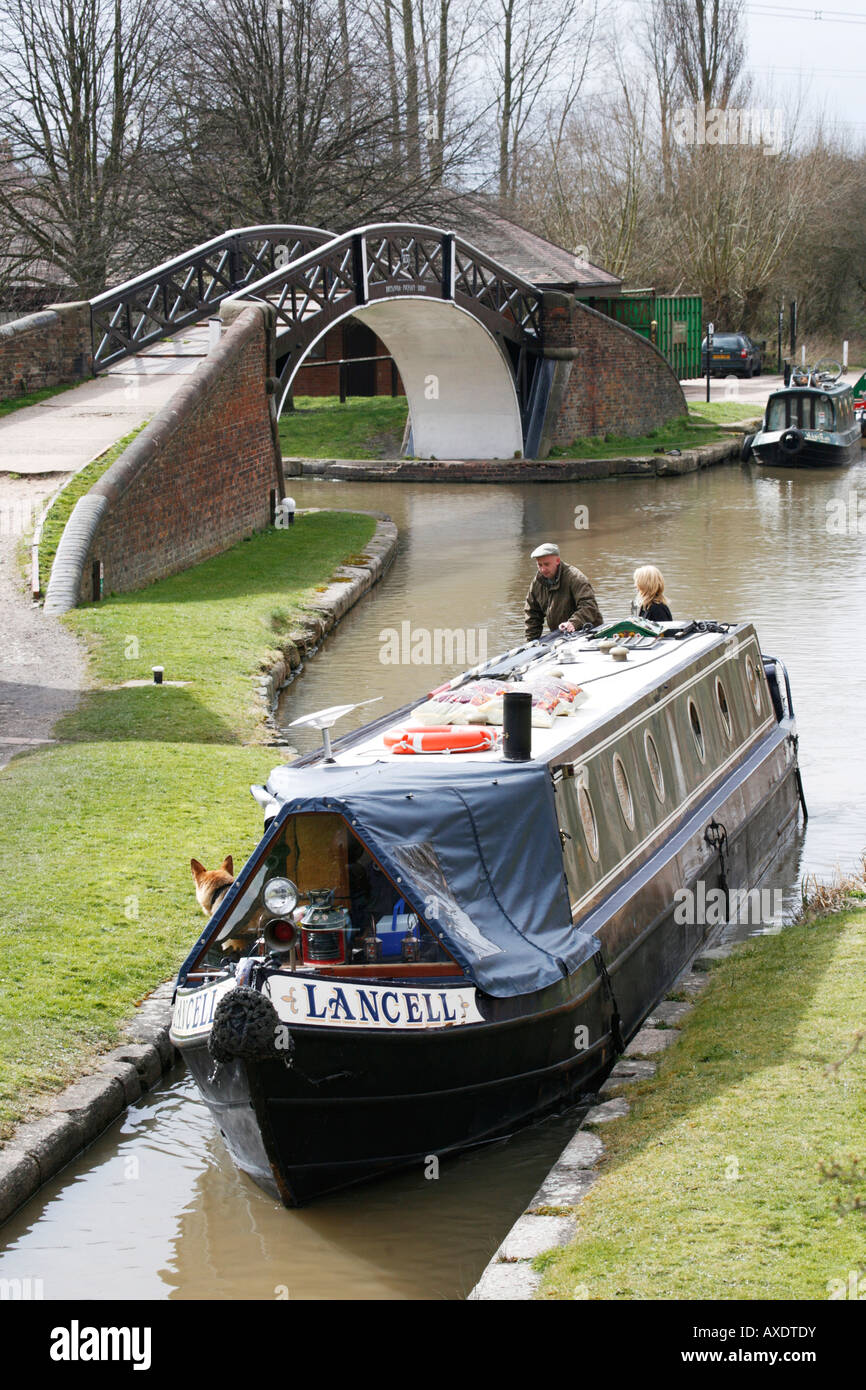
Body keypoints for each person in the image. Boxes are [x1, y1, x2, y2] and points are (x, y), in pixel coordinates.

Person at [524, 543, 602, 640]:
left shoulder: (575, 578)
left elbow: (589, 606)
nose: (543, 569)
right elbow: (532, 615)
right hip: (561, 636)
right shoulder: (537, 583)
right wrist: (531, 642)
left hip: (588, 632)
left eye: (547, 564)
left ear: (557, 561)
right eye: (539, 565)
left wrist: (573, 623)